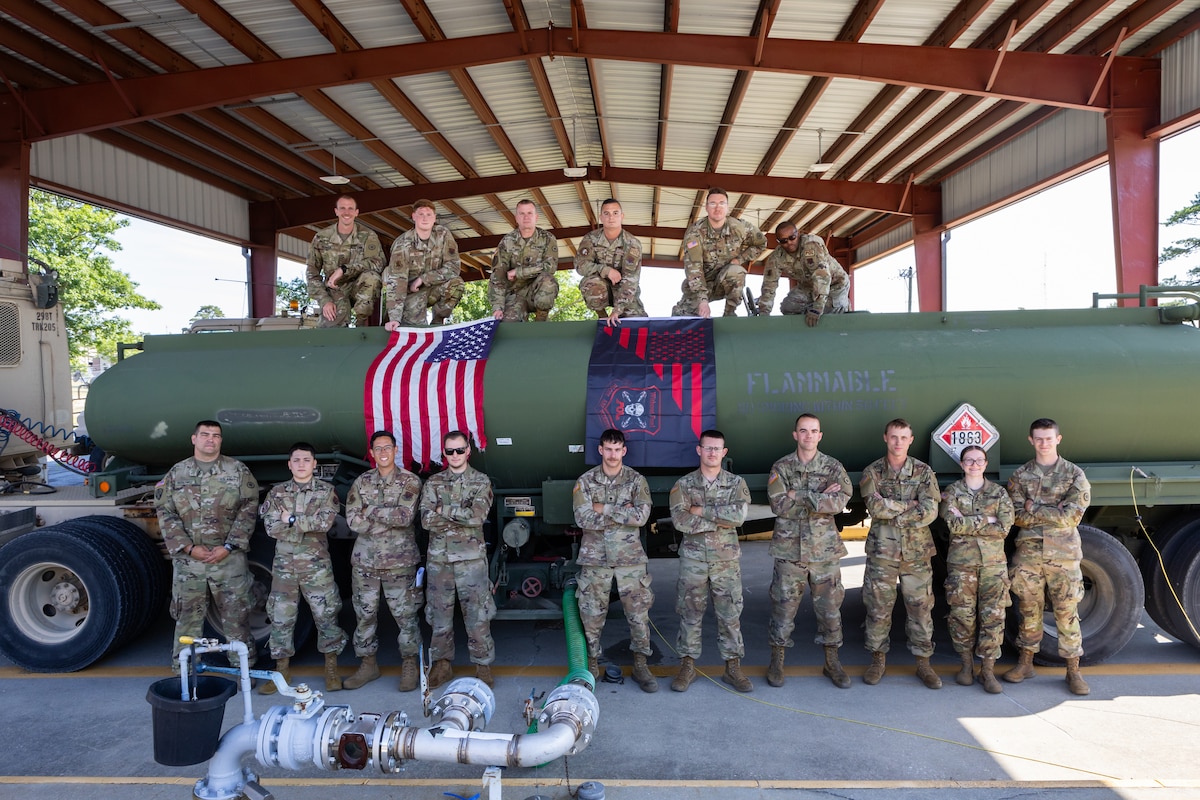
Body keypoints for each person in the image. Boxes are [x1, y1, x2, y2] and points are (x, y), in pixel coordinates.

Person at [155, 420, 258, 670]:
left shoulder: (238, 471)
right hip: (190, 562)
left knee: (237, 619)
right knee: (187, 621)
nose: (210, 439)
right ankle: (185, 673)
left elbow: (249, 508)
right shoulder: (176, 474)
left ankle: (245, 670)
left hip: (229, 561)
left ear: (221, 441)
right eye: (205, 434)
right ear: (194, 439)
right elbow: (165, 512)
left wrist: (230, 546)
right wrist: (189, 548)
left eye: (216, 435)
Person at [765, 413, 854, 689]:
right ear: (795, 435)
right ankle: (777, 662)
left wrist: (797, 495)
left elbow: (840, 501)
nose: (808, 436)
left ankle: (832, 663)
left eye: (813, 431)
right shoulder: (781, 466)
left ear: (820, 435)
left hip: (824, 551)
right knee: (783, 607)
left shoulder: (832, 466)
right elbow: (778, 505)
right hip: (789, 550)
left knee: (830, 610)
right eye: (803, 431)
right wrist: (819, 495)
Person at [1005, 418, 1092, 696]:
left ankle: (1073, 670)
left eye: (1048, 438)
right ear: (1031, 441)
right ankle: (1026, 663)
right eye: (1038, 438)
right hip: (1029, 554)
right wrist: (1052, 509)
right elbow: (1015, 515)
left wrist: (1036, 507)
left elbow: (1073, 515)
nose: (1044, 443)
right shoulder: (1020, 476)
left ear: (1058, 439)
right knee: (1029, 610)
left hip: (1063, 555)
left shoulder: (1074, 474)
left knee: (1067, 611)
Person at [859, 418, 942, 689]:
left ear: (911, 440)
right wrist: (910, 505)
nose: (898, 442)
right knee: (878, 608)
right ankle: (877, 660)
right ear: (885, 437)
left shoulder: (923, 471)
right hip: (883, 552)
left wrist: (893, 510)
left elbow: (930, 511)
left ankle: (923, 664)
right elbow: (876, 508)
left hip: (916, 553)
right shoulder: (872, 471)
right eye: (893, 436)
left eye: (903, 437)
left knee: (920, 608)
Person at [571, 428, 657, 692]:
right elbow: (582, 518)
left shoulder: (636, 480)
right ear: (600, 450)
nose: (612, 454)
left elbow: (641, 517)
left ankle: (641, 664)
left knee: (638, 615)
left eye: (616, 449)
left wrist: (604, 508)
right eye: (607, 449)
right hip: (595, 559)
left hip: (630, 560)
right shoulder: (584, 482)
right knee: (592, 614)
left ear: (624, 451)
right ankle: (592, 664)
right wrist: (623, 511)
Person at [258, 442, 347, 694]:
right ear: (289, 464)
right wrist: (302, 524)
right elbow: (271, 527)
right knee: (281, 617)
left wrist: (292, 519)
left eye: (306, 460)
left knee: (326, 614)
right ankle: (281, 669)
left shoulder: (326, 491)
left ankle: (331, 669)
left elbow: (325, 523)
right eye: (296, 460)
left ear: (315, 464)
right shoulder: (276, 493)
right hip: (285, 567)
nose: (301, 464)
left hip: (316, 567)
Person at [668, 430, 753, 693]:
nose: (712, 453)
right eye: (708, 448)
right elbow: (680, 520)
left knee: (729, 614)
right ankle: (687, 666)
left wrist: (701, 510)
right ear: (699, 450)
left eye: (717, 449)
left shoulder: (736, 483)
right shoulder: (683, 485)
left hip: (725, 560)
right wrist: (719, 517)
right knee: (689, 613)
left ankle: (732, 667)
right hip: (694, 559)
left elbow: (738, 516)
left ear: (724, 452)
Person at [342, 431, 424, 692]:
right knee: (364, 615)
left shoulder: (410, 481)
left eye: (387, 447)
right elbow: (353, 520)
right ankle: (368, 664)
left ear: (396, 449)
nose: (383, 452)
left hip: (399, 562)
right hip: (365, 562)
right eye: (378, 448)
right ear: (372, 453)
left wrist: (372, 512)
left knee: (405, 616)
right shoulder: (362, 481)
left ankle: (409, 664)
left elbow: (404, 517)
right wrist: (383, 520)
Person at [420, 431, 497, 688]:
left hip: (471, 561)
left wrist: (443, 509)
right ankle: (442, 665)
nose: (455, 455)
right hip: (440, 561)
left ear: (468, 451)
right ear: (444, 453)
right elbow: (425, 519)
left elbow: (477, 516)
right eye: (450, 451)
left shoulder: (481, 481)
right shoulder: (433, 483)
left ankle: (483, 665)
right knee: (439, 616)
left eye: (459, 450)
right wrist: (458, 514)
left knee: (477, 616)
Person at [939, 445, 1014, 694]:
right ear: (962, 464)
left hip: (994, 566)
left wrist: (968, 520)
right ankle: (966, 666)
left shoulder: (999, 493)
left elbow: (1004, 527)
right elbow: (952, 524)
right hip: (962, 565)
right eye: (969, 460)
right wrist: (987, 519)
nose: (974, 464)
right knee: (962, 616)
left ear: (986, 464)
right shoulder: (952, 491)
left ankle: (988, 670)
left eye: (979, 460)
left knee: (993, 617)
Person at [671, 187, 766, 318]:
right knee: (679, 317)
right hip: (703, 284)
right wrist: (703, 301)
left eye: (722, 203)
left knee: (736, 271)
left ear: (727, 207)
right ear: (706, 207)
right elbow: (694, 269)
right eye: (713, 203)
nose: (717, 208)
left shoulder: (740, 227)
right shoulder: (695, 233)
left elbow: (761, 243)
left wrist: (740, 259)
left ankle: (729, 314)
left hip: (726, 280)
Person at [306, 194, 385, 328]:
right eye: (342, 208)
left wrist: (344, 270)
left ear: (356, 212)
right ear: (336, 211)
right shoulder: (321, 237)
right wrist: (325, 301)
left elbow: (378, 262)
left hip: (359, 285)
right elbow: (312, 273)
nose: (346, 212)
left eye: (350, 208)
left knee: (372, 277)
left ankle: (361, 326)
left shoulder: (368, 235)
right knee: (331, 332)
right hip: (334, 290)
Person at [383, 199, 464, 328]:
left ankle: (437, 323)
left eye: (429, 214)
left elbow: (453, 267)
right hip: (411, 294)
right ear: (413, 217)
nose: (425, 218)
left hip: (434, 288)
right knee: (416, 330)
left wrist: (423, 279)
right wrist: (394, 318)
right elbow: (397, 281)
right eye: (421, 214)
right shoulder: (402, 244)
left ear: (434, 218)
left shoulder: (443, 235)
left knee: (456, 283)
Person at [758, 223, 850, 326]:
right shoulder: (776, 258)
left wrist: (817, 308)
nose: (789, 243)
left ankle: (842, 305)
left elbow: (822, 276)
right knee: (788, 307)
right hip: (808, 286)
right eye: (783, 241)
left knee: (829, 315)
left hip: (835, 284)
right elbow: (769, 285)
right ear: (778, 242)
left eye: (792, 238)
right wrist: (764, 313)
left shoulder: (811, 245)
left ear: (798, 234)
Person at [574, 198, 647, 326]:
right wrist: (605, 270)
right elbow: (581, 266)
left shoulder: (632, 244)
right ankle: (602, 317)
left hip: (624, 289)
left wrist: (617, 311)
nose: (611, 217)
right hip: (601, 286)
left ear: (622, 216)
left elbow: (631, 279)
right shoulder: (591, 239)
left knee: (638, 324)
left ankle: (617, 316)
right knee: (591, 283)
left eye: (615, 213)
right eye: (606, 213)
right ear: (601, 217)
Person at [489, 199, 559, 321]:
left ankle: (541, 322)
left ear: (536, 217)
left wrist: (519, 272)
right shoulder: (507, 242)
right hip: (515, 294)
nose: (526, 217)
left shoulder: (547, 238)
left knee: (548, 281)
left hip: (538, 290)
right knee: (508, 325)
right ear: (516, 218)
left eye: (529, 213)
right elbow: (498, 276)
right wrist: (497, 307)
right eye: (522, 214)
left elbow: (550, 267)